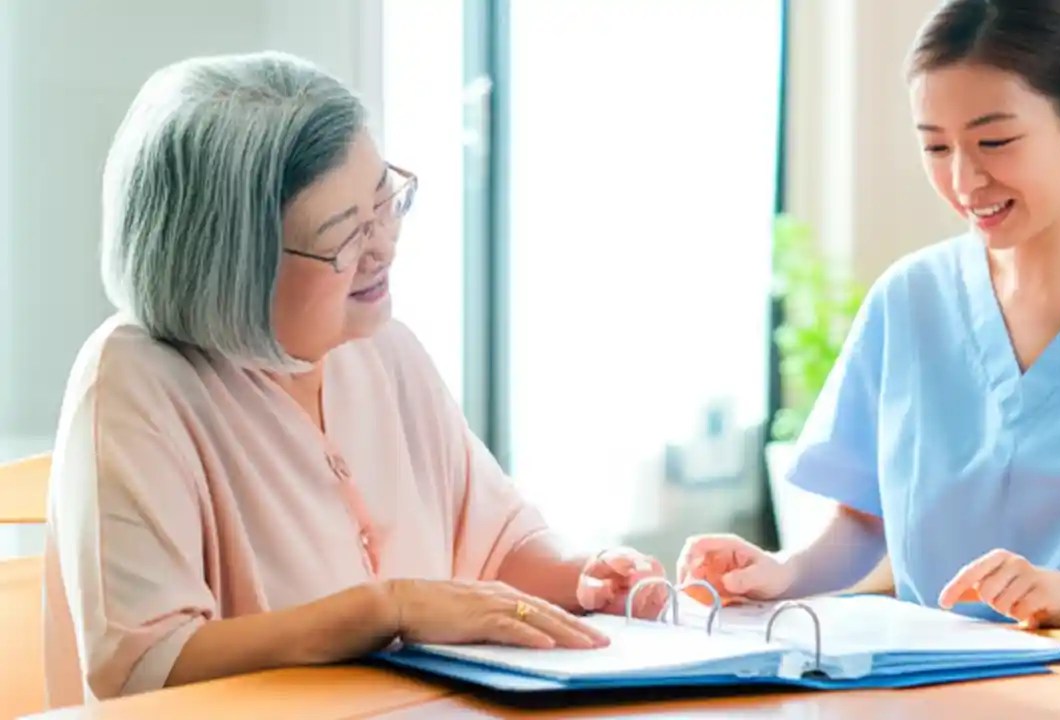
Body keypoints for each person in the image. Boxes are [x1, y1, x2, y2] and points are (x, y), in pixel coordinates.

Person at [43, 51, 667, 706]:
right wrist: (385, 610)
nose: (383, 247)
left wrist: (582, 578)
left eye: (385, 203)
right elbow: (147, 667)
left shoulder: (380, 349)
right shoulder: (134, 380)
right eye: (344, 233)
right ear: (229, 264)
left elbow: (492, 541)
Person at [678, 0, 1060, 634]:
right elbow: (866, 520)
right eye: (936, 147)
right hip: (917, 687)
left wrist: (1054, 595)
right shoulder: (908, 300)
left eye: (995, 141)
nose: (965, 180)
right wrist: (781, 573)